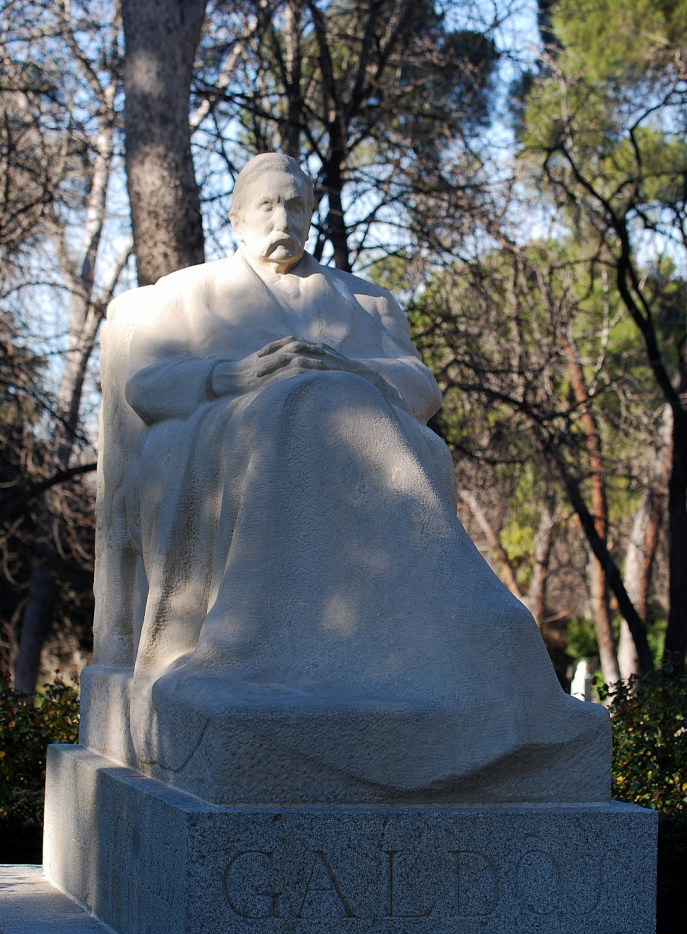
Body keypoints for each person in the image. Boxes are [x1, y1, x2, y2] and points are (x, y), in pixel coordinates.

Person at [93, 152, 609, 800]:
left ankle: (447, 648)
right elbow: (146, 386)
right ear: (236, 218)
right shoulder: (187, 294)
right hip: (235, 439)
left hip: (356, 451)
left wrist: (352, 371)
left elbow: (419, 387)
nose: (283, 218)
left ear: (311, 211)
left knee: (339, 408)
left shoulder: (362, 299)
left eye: (296, 204)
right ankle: (253, 648)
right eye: (266, 206)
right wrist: (231, 376)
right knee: (298, 406)